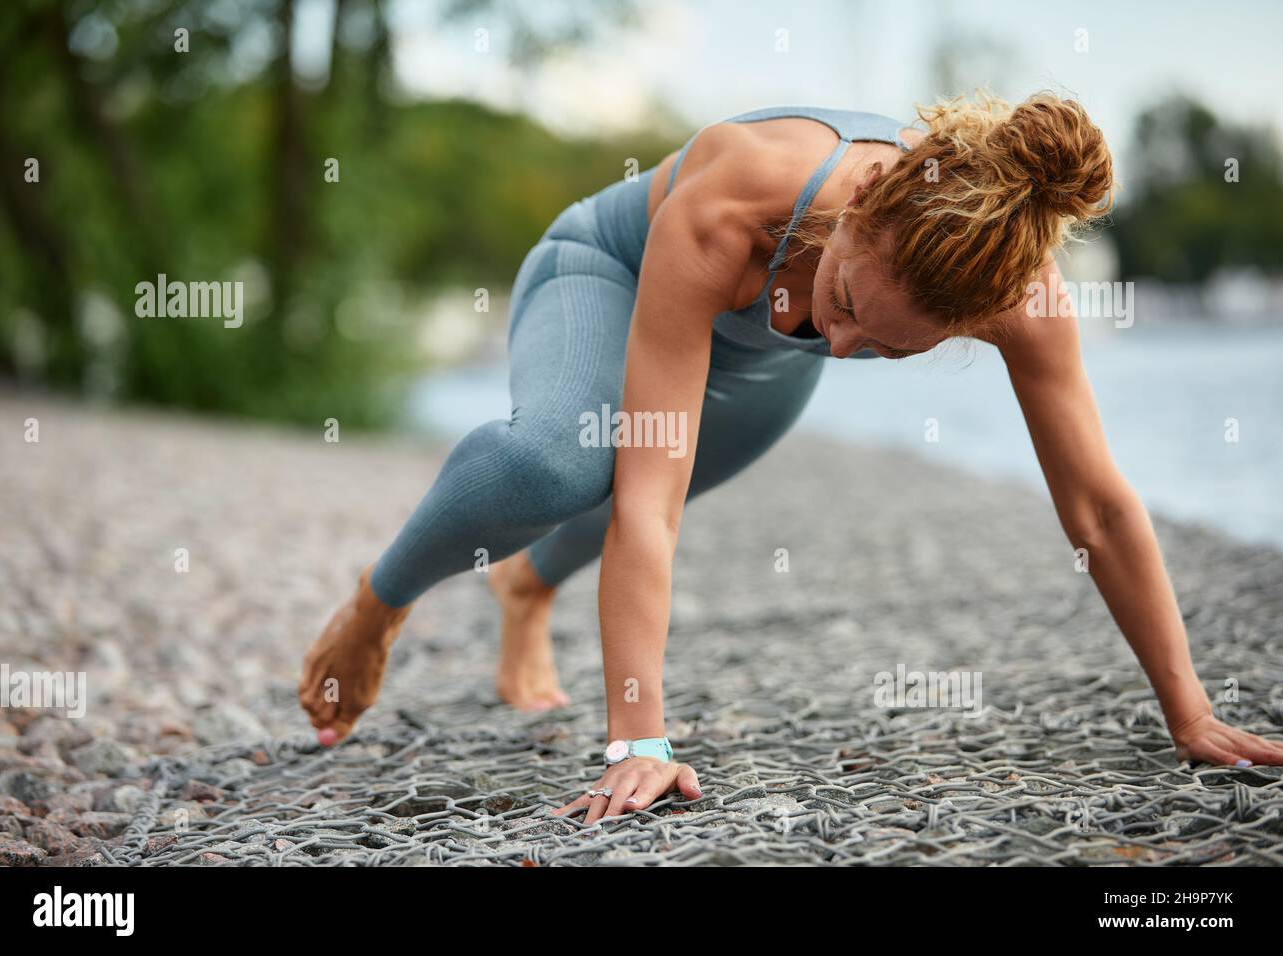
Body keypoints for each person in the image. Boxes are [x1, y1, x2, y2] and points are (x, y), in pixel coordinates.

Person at [299, 92, 1283, 824]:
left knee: (636, 482)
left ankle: (528, 590)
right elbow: (650, 503)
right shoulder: (736, 197)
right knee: (562, 467)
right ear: (865, 208)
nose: (847, 349)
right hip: (604, 275)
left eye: (894, 349)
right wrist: (640, 739)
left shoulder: (1016, 293)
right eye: (851, 307)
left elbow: (1098, 508)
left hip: (763, 369)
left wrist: (1188, 709)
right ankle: (376, 603)